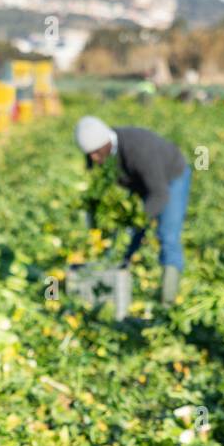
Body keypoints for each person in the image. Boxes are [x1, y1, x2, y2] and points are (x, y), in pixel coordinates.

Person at [74, 115, 191, 306]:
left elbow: (159, 194)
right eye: (89, 155)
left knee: (167, 235)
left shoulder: (139, 150)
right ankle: (115, 286)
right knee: (127, 236)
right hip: (140, 183)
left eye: (96, 152)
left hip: (170, 179)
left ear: (105, 142)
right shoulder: (99, 154)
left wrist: (138, 219)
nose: (94, 158)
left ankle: (168, 301)